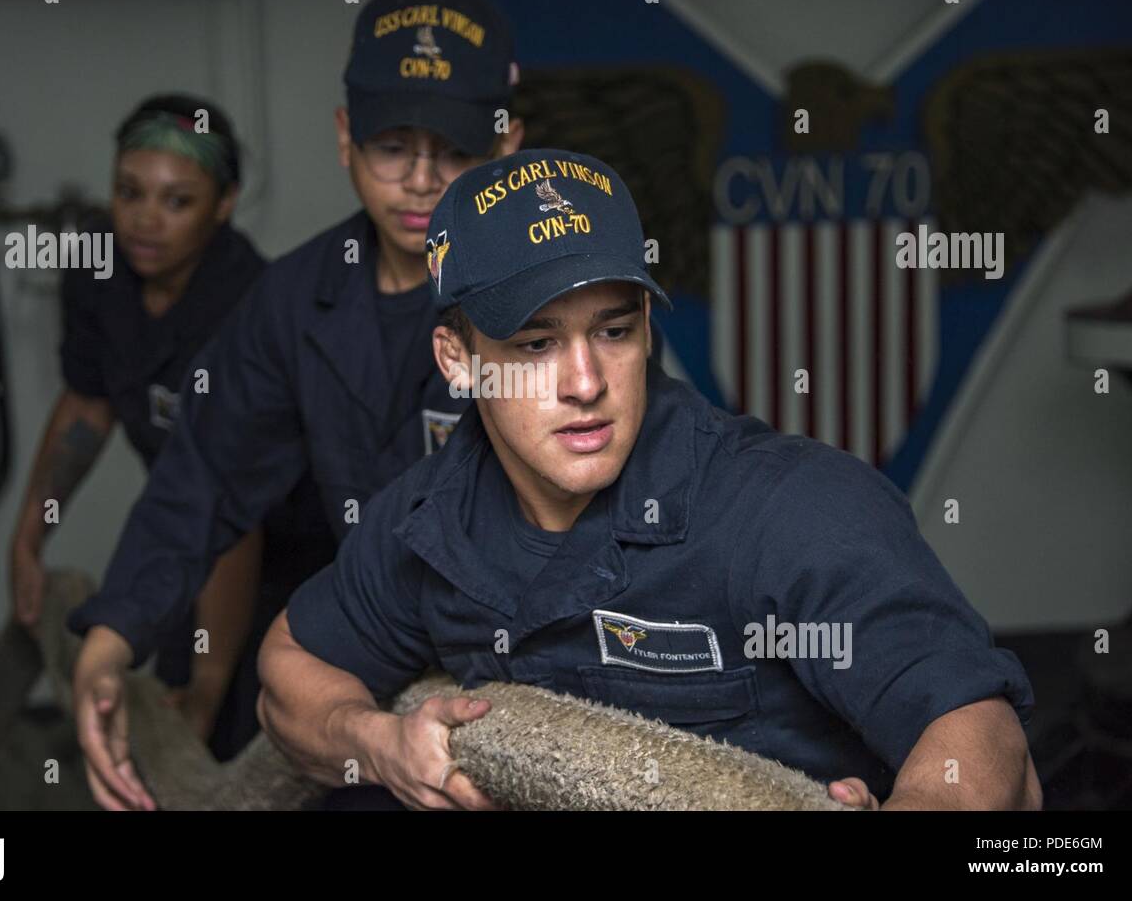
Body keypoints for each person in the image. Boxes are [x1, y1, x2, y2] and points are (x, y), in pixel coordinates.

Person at [257, 148, 1042, 811]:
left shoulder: (791, 507)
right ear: (457, 360)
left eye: (614, 330)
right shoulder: (427, 525)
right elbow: (289, 669)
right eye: (535, 344)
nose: (585, 379)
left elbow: (977, 727)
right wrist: (378, 742)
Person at [67, 0, 526, 811]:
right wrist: (111, 636)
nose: (421, 181)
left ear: (505, 148)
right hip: (359, 679)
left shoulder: (551, 297)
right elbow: (204, 472)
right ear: (346, 135)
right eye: (392, 145)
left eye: (453, 150)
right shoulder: (296, 298)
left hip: (527, 683)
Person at [7, 94, 333, 800]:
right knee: (167, 709)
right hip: (187, 543)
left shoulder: (251, 301)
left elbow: (231, 507)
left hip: (293, 552)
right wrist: (29, 539)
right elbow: (89, 403)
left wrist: (210, 685)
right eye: (129, 191)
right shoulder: (99, 268)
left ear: (223, 205)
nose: (144, 219)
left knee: (249, 738)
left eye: (176, 200)